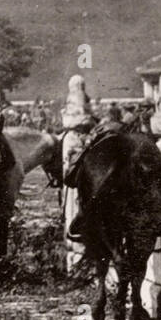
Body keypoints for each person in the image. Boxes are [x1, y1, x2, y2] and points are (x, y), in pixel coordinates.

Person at [59, 75, 97, 274]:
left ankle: (78, 257)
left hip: (76, 148)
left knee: (75, 201)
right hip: (79, 147)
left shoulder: (73, 103)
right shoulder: (81, 102)